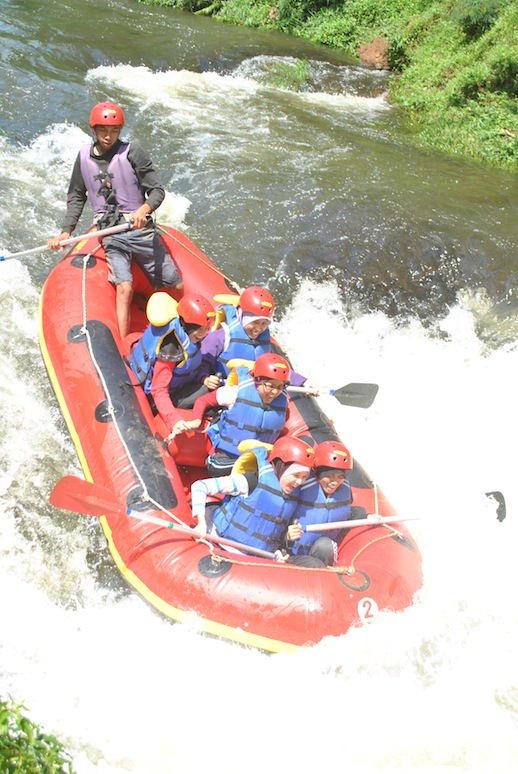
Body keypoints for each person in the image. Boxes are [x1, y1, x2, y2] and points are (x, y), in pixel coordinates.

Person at [48, 101, 183, 339]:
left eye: (113, 131)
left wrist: (144, 209)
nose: (108, 136)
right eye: (103, 131)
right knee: (124, 287)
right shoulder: (82, 157)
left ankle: (181, 332)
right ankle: (122, 346)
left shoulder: (133, 151)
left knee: (175, 284)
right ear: (94, 130)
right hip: (110, 232)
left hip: (139, 230)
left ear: (120, 130)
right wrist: (66, 232)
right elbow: (77, 196)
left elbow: (156, 191)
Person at [171, 352, 292, 476]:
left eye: (280, 387)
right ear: (257, 380)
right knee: (245, 473)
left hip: (256, 461)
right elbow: (203, 400)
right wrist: (196, 420)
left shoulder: (283, 402)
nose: (274, 392)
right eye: (270, 386)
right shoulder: (235, 392)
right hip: (223, 458)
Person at [190, 436, 315, 556]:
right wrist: (201, 523)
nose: (299, 482)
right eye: (296, 475)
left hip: (253, 558)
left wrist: (279, 549)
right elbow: (200, 486)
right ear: (281, 467)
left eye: (304, 477)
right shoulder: (252, 481)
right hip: (220, 544)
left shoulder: (292, 497)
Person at [129, 291, 220, 434]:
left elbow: (189, 370)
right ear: (186, 325)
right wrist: (174, 420)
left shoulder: (190, 337)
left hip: (178, 385)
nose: (205, 334)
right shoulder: (172, 348)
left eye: (207, 329)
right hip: (155, 398)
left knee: (212, 387)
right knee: (212, 394)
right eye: (201, 330)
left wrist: (204, 379)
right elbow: (158, 390)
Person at [201, 285, 309, 388]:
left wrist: (303, 382)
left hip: (247, 389)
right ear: (243, 317)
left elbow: (275, 366)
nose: (258, 328)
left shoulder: (263, 340)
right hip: (221, 386)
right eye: (255, 322)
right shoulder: (221, 336)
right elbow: (201, 362)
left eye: (264, 324)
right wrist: (205, 378)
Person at [285, 440, 353, 567]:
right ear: (318, 473)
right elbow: (278, 514)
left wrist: (367, 516)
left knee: (326, 546)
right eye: (330, 476)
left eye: (340, 477)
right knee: (315, 564)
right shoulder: (300, 487)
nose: (335, 482)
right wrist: (286, 536)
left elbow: (350, 513)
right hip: (292, 552)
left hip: (319, 550)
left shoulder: (344, 490)